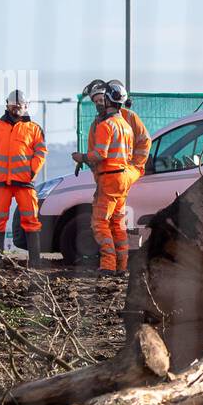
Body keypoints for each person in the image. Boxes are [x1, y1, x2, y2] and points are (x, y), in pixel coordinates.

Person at [73, 81, 136, 274]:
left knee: (100, 223)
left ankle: (108, 265)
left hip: (109, 179)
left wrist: (81, 157)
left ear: (108, 100)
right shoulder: (126, 126)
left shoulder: (105, 125)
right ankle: (123, 266)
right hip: (123, 178)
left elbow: (100, 154)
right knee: (117, 223)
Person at [0, 90, 47, 267]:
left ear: (26, 106)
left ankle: (35, 262)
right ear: (7, 105)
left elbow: (41, 152)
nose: (17, 107)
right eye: (13, 104)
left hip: (24, 183)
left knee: (31, 221)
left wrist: (31, 172)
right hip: (1, 182)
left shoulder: (34, 129)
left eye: (20, 105)